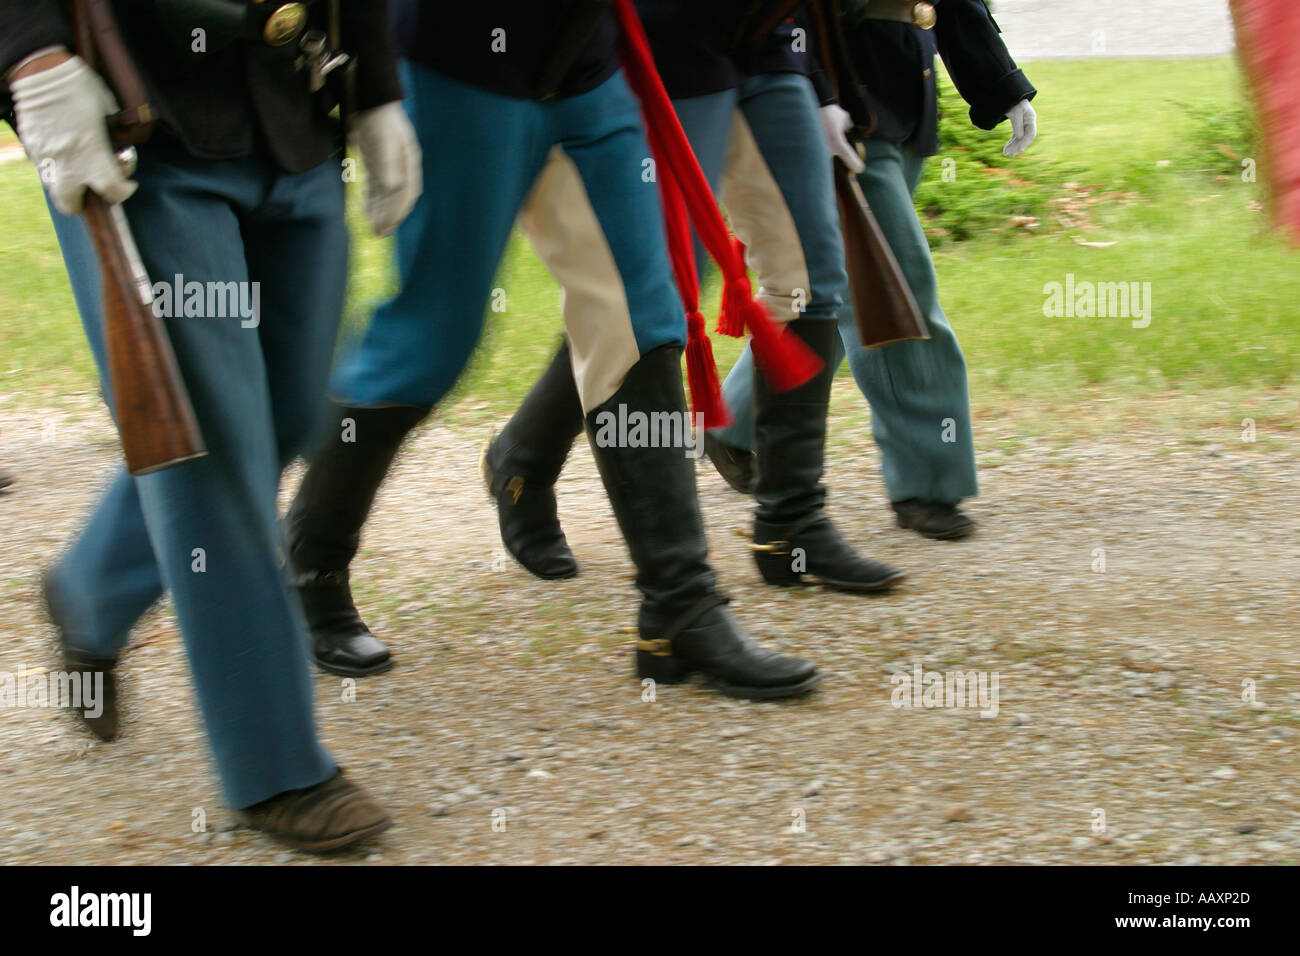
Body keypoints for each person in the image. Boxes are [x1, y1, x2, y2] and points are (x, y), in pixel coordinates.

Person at [284, 0, 821, 700]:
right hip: (459, 62)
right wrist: (375, 91)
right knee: (432, 340)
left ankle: (679, 605)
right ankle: (313, 562)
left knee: (640, 313)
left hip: (587, 71)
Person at [2, 0, 420, 851]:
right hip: (136, 111)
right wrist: (28, 51)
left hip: (294, 117)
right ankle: (275, 768)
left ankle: (91, 588)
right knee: (213, 452)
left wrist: (377, 91)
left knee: (291, 417)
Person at [483, 0, 907, 596]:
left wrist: (821, 81)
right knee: (649, 298)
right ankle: (524, 459)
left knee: (810, 277)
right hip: (670, 42)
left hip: (776, 42)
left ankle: (792, 522)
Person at [706, 0, 1038, 541]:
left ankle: (735, 422)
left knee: (843, 294)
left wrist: (1004, 86)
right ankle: (926, 482)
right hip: (840, 104)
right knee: (895, 298)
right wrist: (819, 95)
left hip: (904, 98)